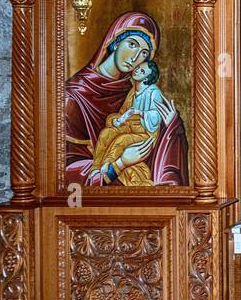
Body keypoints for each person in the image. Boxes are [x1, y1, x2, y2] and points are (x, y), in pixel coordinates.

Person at [64, 11, 188, 186]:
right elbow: (66, 168)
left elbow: (150, 139)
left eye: (144, 53)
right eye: (131, 44)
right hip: (96, 196)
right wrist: (120, 164)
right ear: (114, 41)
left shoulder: (134, 89)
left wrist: (171, 128)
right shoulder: (74, 95)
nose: (135, 58)